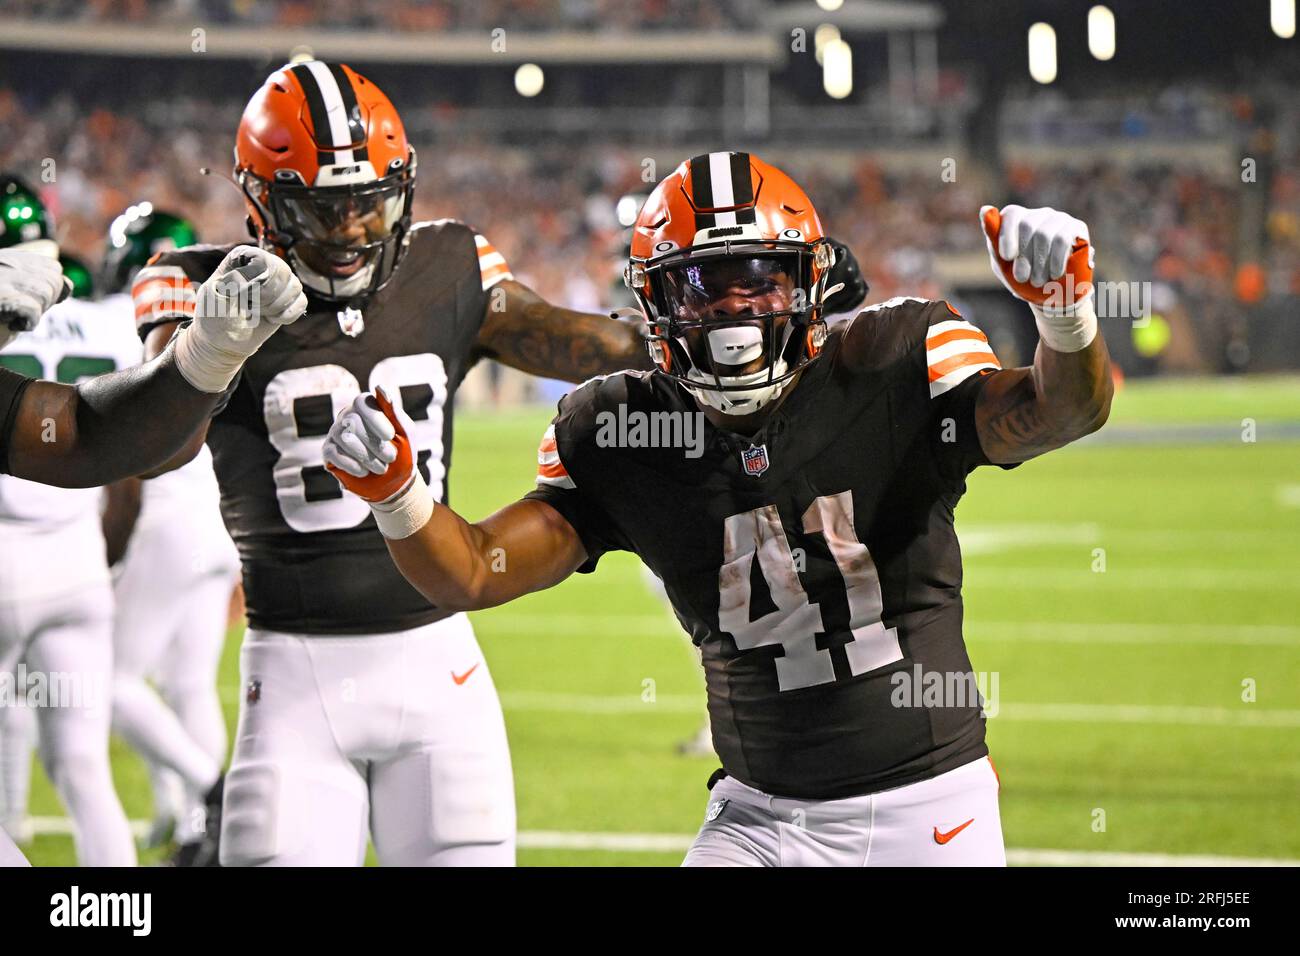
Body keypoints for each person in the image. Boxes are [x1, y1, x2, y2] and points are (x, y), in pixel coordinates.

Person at [323, 151, 1113, 867]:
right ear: (654, 304)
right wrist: (399, 496)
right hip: (757, 818)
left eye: (760, 280)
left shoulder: (896, 362)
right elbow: (472, 572)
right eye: (704, 287)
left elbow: (1063, 410)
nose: (736, 312)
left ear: (808, 283)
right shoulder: (620, 429)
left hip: (927, 810)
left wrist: (1066, 315)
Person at [132, 60, 654, 866]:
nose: (350, 229)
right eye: (322, 207)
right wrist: (211, 346)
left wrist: (709, 321)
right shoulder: (197, 285)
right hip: (294, 673)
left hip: (438, 667)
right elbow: (156, 444)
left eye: (368, 201)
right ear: (259, 203)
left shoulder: (446, 264)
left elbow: (575, 339)